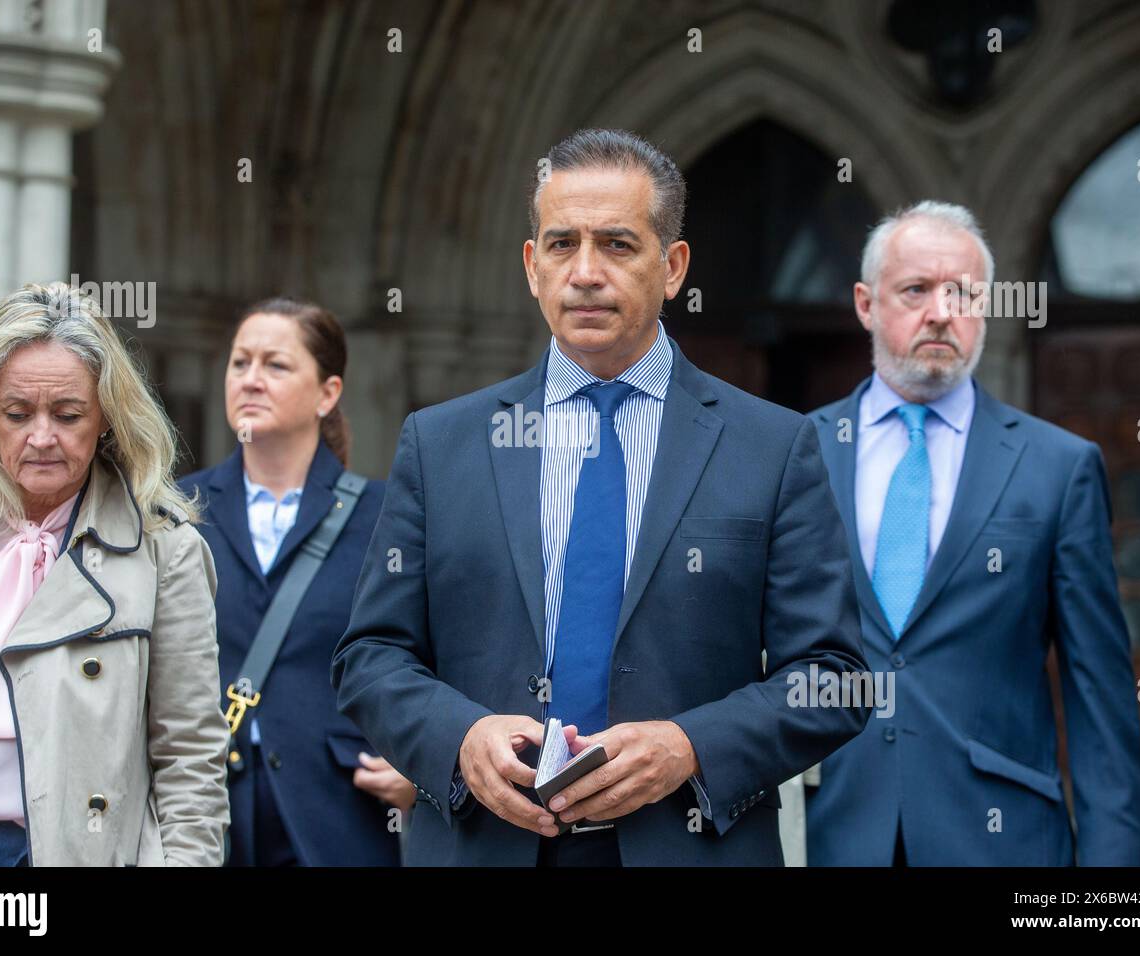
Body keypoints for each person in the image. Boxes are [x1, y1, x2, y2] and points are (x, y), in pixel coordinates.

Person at [333, 128, 870, 866]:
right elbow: (370, 656)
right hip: (485, 846)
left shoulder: (772, 448)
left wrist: (690, 746)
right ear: (531, 266)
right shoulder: (442, 443)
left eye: (617, 244)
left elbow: (835, 682)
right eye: (561, 245)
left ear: (674, 266)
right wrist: (460, 738)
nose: (584, 272)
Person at [805, 201, 1140, 866]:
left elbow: (1101, 699)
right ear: (865, 304)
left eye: (962, 293)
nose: (940, 312)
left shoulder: (1058, 467)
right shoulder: (797, 453)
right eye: (915, 290)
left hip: (1004, 841)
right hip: (831, 832)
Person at [0, 282, 229, 866]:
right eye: (17, 414)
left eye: (68, 414)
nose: (41, 437)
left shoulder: (165, 551)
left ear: (106, 415)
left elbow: (191, 759)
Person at [178, 297, 411, 866]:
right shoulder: (177, 510)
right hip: (203, 815)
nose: (251, 379)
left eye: (275, 365)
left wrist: (423, 771)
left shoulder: (385, 516)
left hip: (337, 811)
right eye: (240, 363)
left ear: (328, 393)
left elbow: (430, 654)